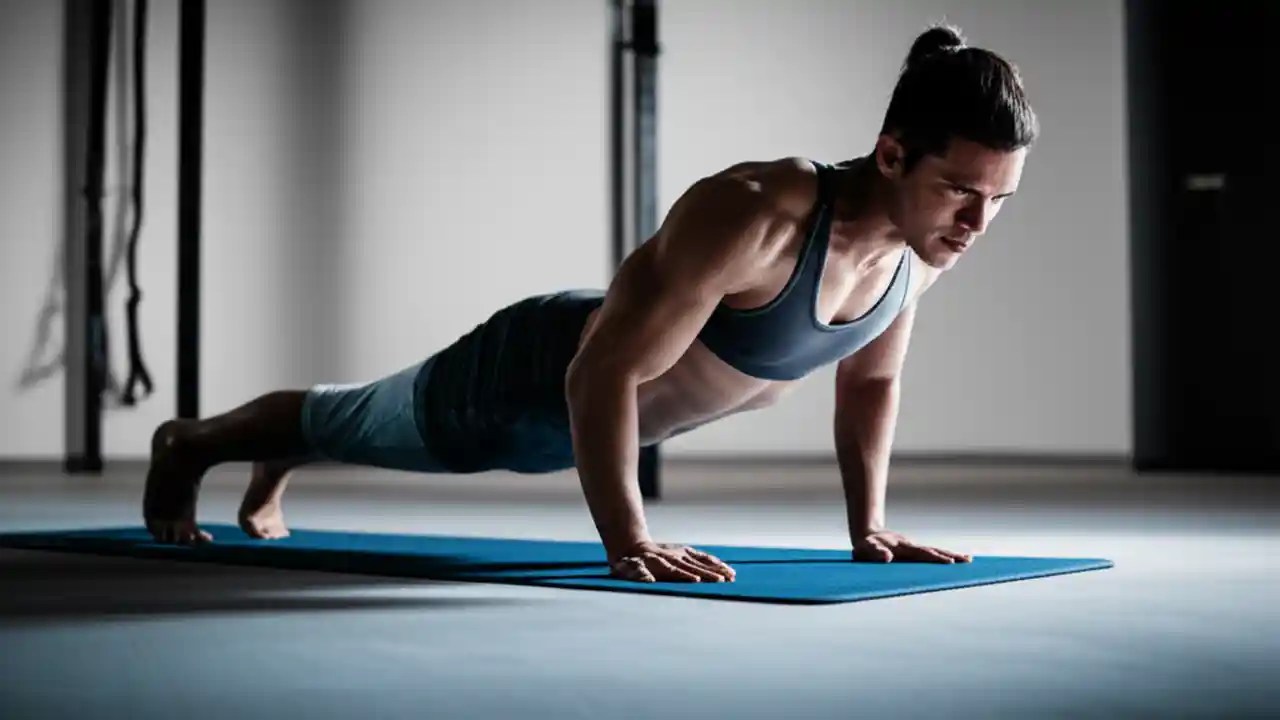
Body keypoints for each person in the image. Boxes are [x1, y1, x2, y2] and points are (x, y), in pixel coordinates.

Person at [143, 23, 1037, 584]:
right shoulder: (759, 211)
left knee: (354, 425)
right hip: (529, 381)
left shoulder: (926, 244)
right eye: (963, 191)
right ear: (891, 155)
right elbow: (600, 369)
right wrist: (629, 540)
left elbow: (869, 387)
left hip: (609, 415)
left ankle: (281, 456)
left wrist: (868, 528)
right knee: (352, 421)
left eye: (1000, 201)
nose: (979, 222)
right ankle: (191, 443)